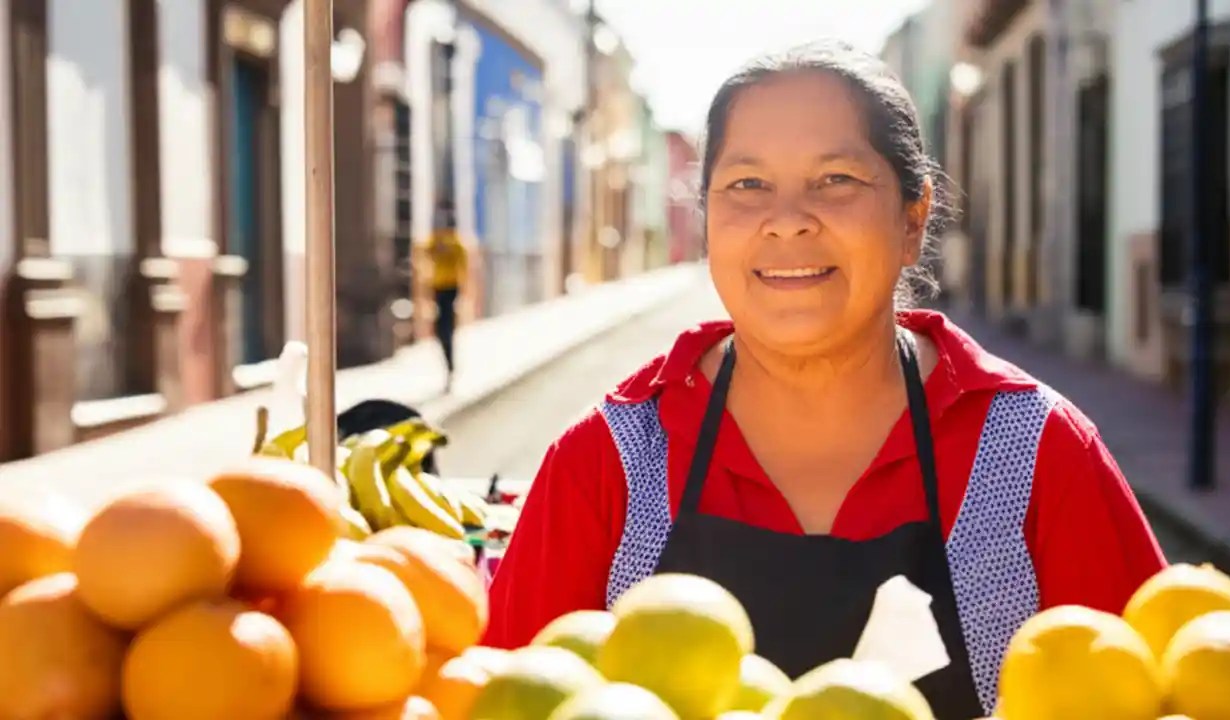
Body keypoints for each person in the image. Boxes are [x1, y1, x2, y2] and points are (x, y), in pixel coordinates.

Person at [482, 41, 1166, 718]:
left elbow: (1159, 691)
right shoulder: (606, 464)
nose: (787, 221)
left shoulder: (1037, 452)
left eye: (836, 179)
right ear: (708, 218)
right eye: (747, 185)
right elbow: (503, 699)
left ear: (912, 217)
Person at [426, 200, 468, 391]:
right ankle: (449, 363)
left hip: (447, 287)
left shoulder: (449, 242)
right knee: (443, 327)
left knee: (445, 328)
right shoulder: (448, 241)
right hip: (444, 287)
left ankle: (450, 363)